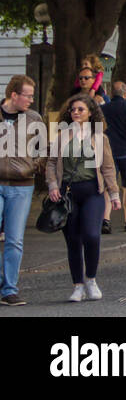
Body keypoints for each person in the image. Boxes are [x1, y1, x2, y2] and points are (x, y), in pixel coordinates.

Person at [46, 93, 120, 302]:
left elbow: (108, 167)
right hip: (68, 194)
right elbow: (51, 163)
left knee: (92, 236)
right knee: (73, 241)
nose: (76, 112)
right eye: (73, 110)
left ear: (90, 113)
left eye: (80, 109)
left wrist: (114, 194)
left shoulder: (100, 137)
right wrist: (52, 185)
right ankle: (77, 285)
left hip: (92, 192)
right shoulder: (62, 136)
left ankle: (91, 279)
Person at [0, 75, 43, 305]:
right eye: (27, 95)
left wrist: (30, 167)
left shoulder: (33, 118)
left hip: (22, 186)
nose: (31, 100)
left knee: (14, 240)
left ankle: (9, 289)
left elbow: (42, 149)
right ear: (14, 95)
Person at [100, 81, 126, 233]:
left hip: (108, 151)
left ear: (112, 93)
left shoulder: (104, 108)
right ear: (125, 94)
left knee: (108, 186)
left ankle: (106, 220)